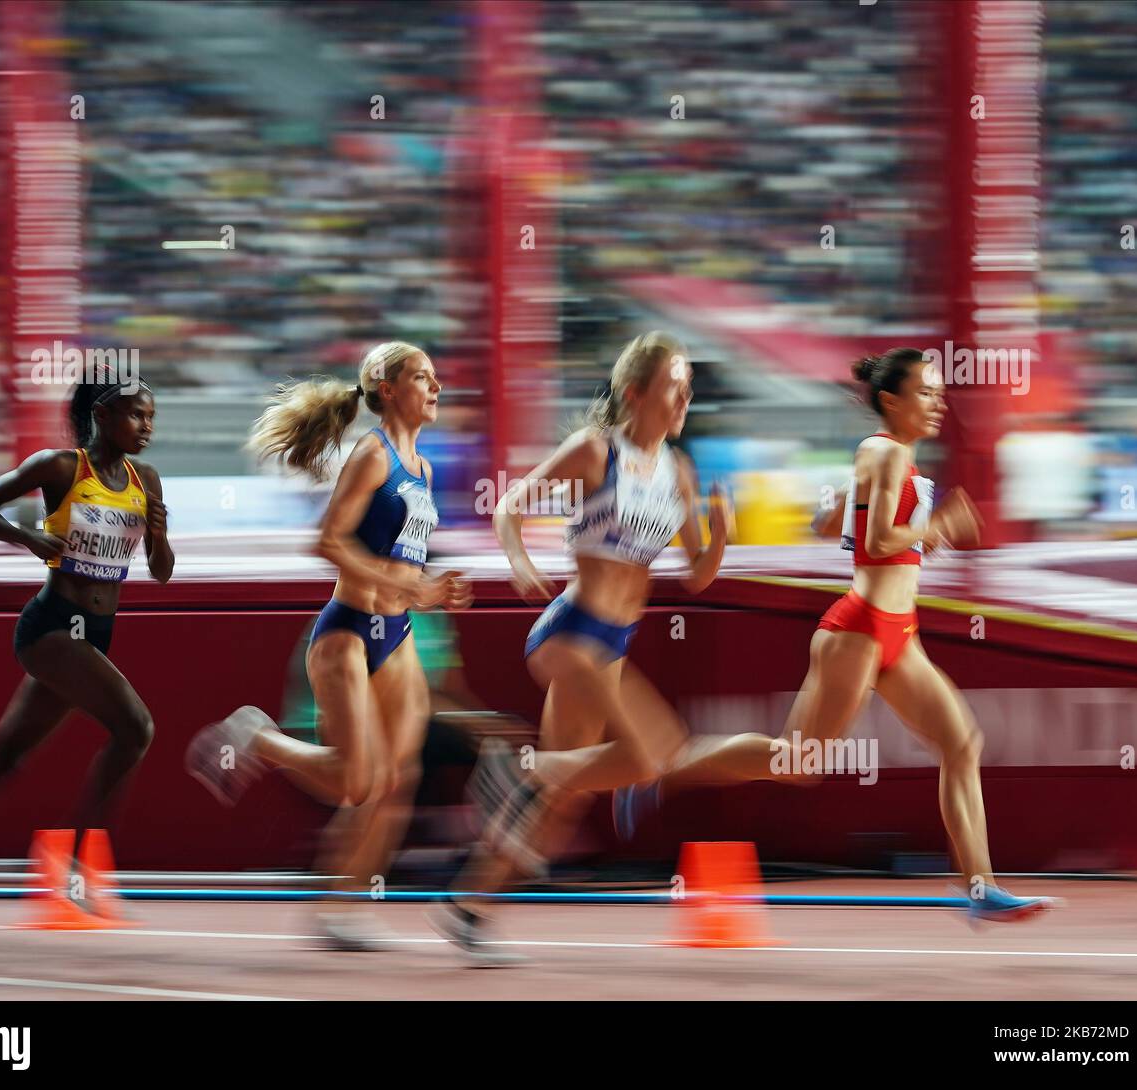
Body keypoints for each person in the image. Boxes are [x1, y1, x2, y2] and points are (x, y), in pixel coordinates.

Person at [613, 348, 1053, 923]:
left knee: (960, 743)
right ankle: (660, 773)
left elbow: (836, 525)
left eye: (941, 392)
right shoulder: (884, 451)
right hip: (859, 635)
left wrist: (845, 510)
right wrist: (938, 524)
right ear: (892, 401)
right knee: (797, 762)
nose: (939, 401)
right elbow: (881, 540)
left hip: (899, 633)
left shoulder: (893, 460)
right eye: (926, 392)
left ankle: (980, 888)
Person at [433, 331, 731, 963]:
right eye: (676, 386)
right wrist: (517, 560)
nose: (686, 398)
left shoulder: (679, 469)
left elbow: (697, 574)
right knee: (653, 756)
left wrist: (721, 536)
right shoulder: (597, 453)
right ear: (636, 392)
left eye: (689, 387)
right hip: (570, 631)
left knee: (566, 800)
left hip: (614, 644)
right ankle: (516, 771)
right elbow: (511, 506)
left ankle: (466, 908)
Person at [186, 342, 471, 950]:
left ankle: (341, 910)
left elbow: (405, 563)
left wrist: (432, 591)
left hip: (395, 637)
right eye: (422, 378)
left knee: (399, 778)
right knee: (355, 784)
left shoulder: (422, 470)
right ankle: (255, 734)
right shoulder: (373, 456)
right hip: (346, 635)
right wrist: (406, 584)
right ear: (388, 390)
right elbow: (327, 543)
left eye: (436, 377)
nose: (436, 387)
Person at [0, 378, 174, 927]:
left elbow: (161, 573)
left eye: (152, 417)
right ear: (104, 414)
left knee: (3, 759)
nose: (148, 428)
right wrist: (32, 540)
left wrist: (159, 536)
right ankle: (77, 867)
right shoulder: (61, 467)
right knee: (136, 728)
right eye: (137, 416)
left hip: (93, 634)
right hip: (50, 629)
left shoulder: (147, 481)